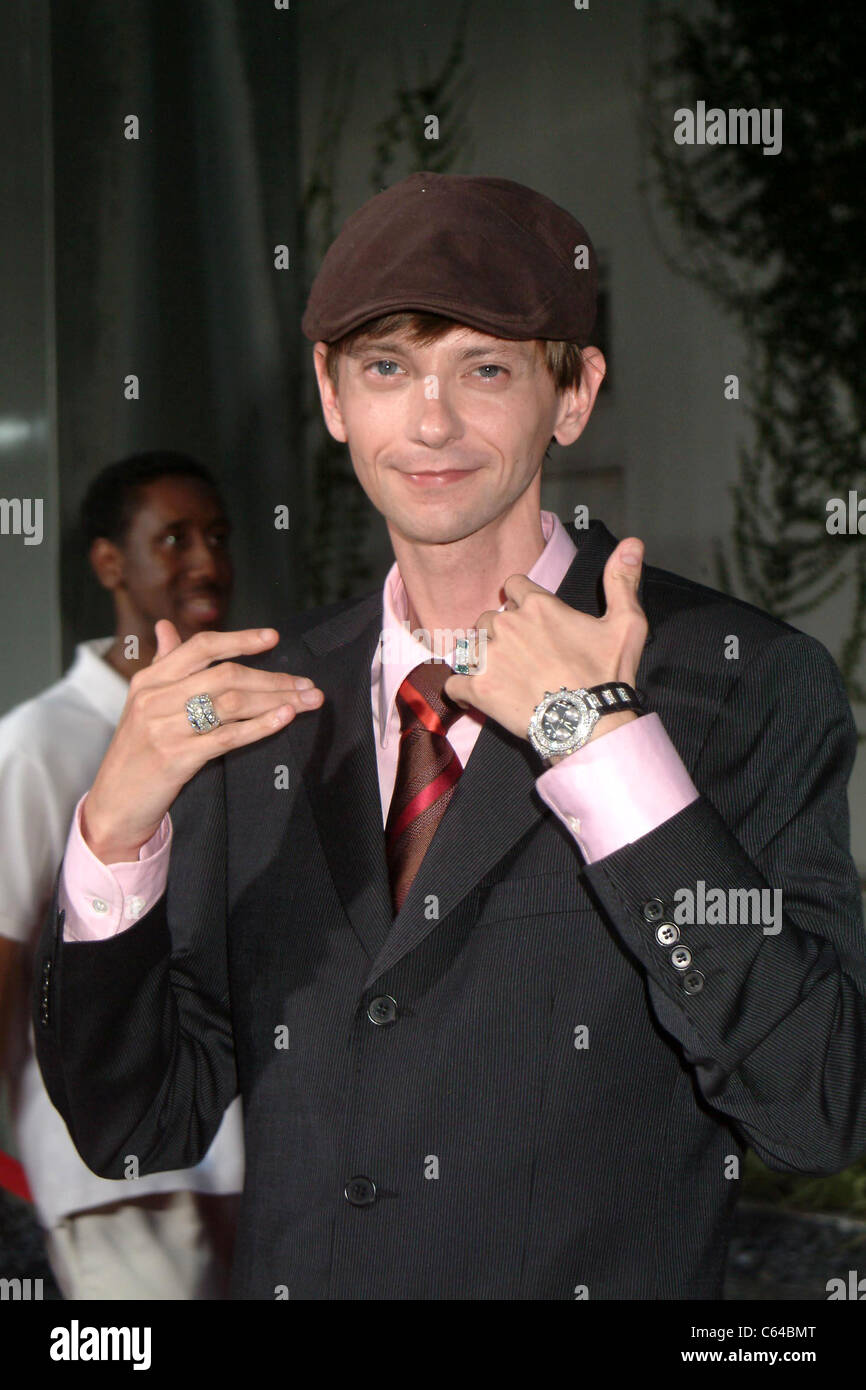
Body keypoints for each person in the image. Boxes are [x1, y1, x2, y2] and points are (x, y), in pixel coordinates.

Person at [33, 173, 866, 1300]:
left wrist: (601, 749)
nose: (430, 421)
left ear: (571, 395)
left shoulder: (743, 684)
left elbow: (815, 1105)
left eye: (484, 369)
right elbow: (138, 1124)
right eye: (387, 368)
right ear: (331, 395)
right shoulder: (268, 705)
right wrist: (114, 832)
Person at [0, 453, 244, 1298]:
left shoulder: (234, 718)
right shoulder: (40, 741)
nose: (206, 560)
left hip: (232, 1151)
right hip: (104, 1171)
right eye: (172, 539)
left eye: (215, 535)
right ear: (110, 564)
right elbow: (4, 955)